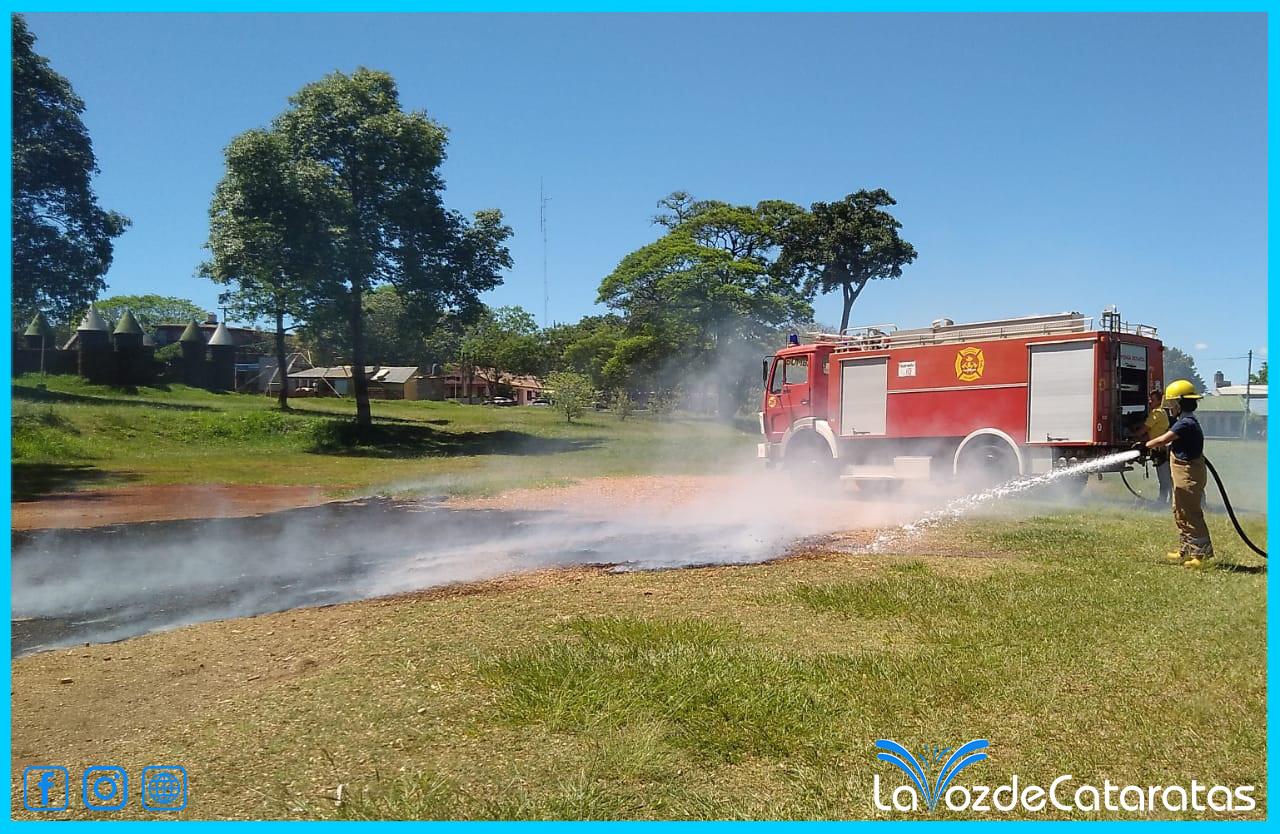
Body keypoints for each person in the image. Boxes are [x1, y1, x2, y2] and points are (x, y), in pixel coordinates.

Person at [1137, 379, 1213, 567]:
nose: (1170, 408)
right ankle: (1186, 549)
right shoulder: (1185, 422)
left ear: (1179, 404)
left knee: (1190, 512)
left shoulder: (1185, 423)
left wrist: (1145, 445)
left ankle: (1200, 555)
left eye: (1171, 404)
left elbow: (1163, 439)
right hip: (1183, 471)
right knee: (1180, 511)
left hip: (1188, 473)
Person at [1130, 388, 1172, 504]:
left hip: (1160, 451)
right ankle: (1168, 500)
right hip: (1162, 450)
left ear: (1159, 401)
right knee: (1167, 478)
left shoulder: (1157, 413)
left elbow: (1145, 429)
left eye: (1152, 400)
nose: (1149, 401)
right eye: (1149, 399)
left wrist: (1132, 436)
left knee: (1165, 479)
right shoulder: (1161, 412)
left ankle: (1164, 501)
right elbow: (1152, 432)